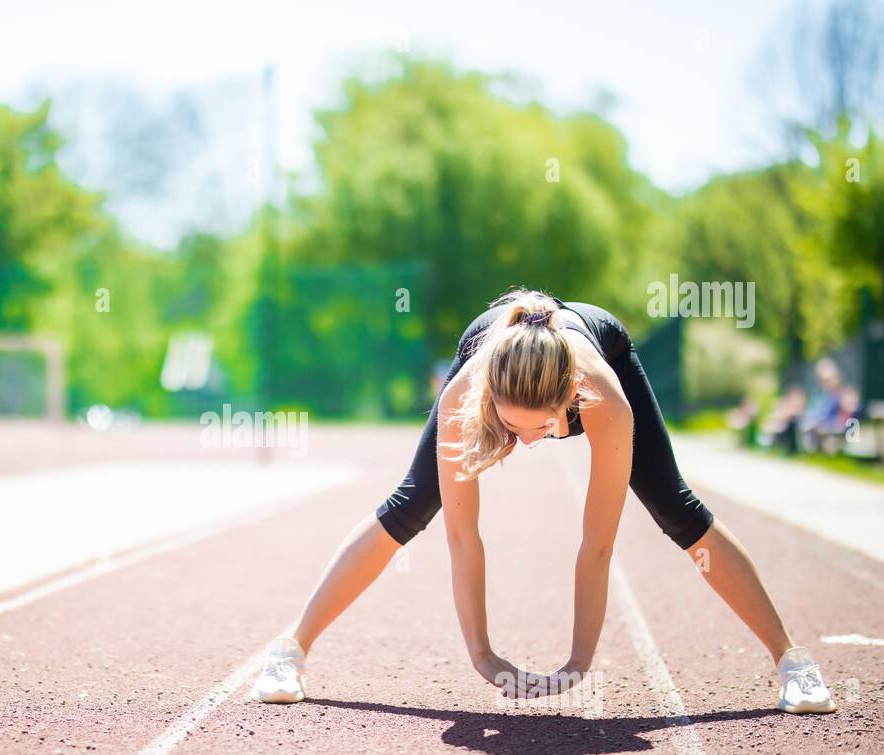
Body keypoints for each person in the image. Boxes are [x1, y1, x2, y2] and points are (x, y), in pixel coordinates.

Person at [253, 289, 835, 714]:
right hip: (493, 358)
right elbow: (463, 536)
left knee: (675, 506)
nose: (526, 443)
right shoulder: (465, 397)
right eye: (513, 427)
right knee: (412, 504)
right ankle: (290, 649)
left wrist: (578, 662)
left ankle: (793, 661)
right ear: (490, 403)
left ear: (571, 401)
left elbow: (598, 543)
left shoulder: (606, 399)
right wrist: (482, 655)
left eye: (541, 429)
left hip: (597, 338)